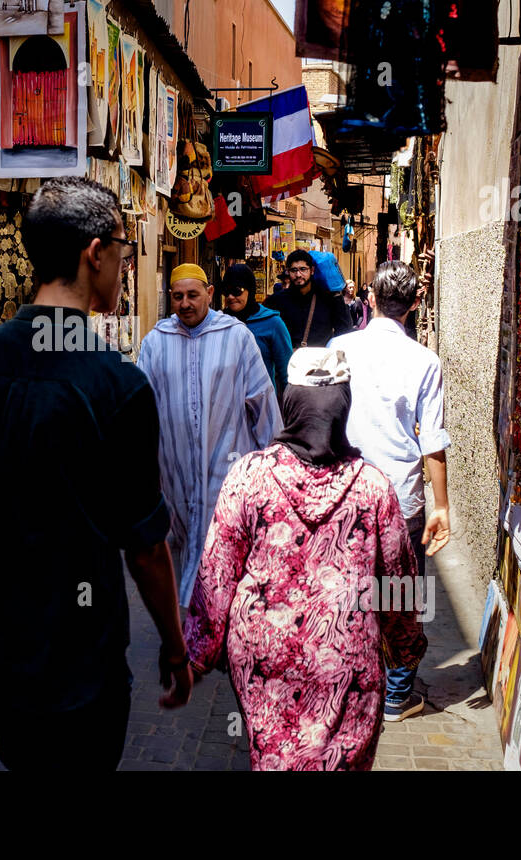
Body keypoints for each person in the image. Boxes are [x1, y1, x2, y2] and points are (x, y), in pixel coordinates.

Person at [0, 177, 192, 770]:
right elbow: (144, 548)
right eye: (122, 247)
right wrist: (174, 645)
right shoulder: (119, 386)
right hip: (81, 659)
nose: (123, 263)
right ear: (94, 253)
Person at [184, 347, 427, 770]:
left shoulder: (248, 476)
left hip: (265, 663)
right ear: (344, 406)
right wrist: (406, 647)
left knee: (275, 758)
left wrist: (196, 654)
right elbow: (400, 584)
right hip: (347, 669)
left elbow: (216, 577)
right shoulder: (373, 488)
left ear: (290, 403)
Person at [330, 260, 451, 721]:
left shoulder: (339, 349)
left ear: (372, 299)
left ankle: (350, 686)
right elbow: (433, 442)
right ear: (415, 305)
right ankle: (397, 695)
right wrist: (441, 506)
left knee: (348, 586)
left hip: (346, 489)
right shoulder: (425, 360)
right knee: (400, 591)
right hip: (400, 495)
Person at [137, 264, 282, 607]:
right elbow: (140, 411)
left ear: (210, 294)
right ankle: (192, 631)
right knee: (182, 548)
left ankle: (221, 626)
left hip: (228, 471)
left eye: (192, 295)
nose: (185, 303)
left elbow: (262, 403)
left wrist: (274, 471)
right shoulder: (156, 342)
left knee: (227, 549)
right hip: (175, 474)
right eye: (177, 297)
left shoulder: (236, 336)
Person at [221, 264, 291, 396]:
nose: (230, 297)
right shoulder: (219, 324)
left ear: (250, 290)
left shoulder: (272, 323)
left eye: (237, 290)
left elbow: (286, 373)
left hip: (262, 406)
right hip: (226, 407)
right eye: (226, 292)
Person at [263, 249, 354, 349]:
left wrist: (337, 295)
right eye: (294, 270)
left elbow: (344, 332)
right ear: (288, 272)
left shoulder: (328, 299)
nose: (298, 275)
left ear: (312, 270)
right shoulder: (276, 301)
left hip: (320, 362)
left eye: (303, 269)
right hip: (288, 362)